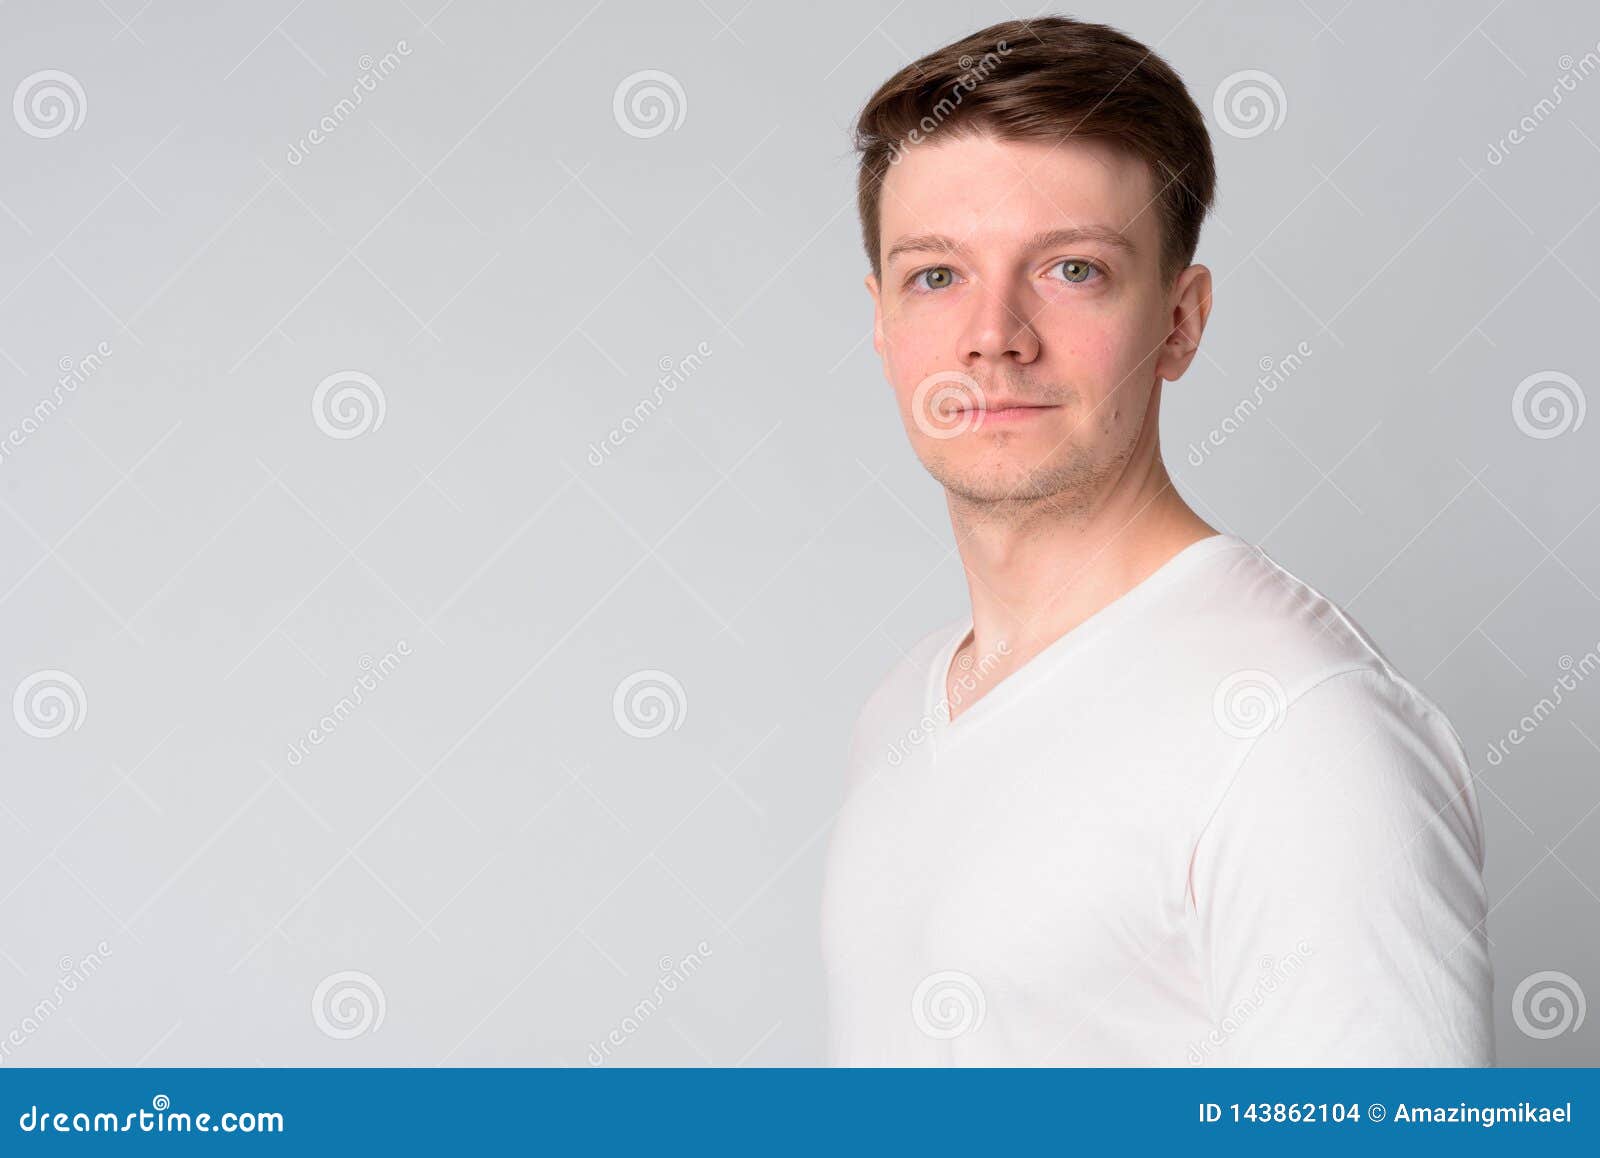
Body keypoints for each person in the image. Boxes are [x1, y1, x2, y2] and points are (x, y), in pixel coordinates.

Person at [819, 15, 1495, 1066]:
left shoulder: (1299, 733)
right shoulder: (895, 714)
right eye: (936, 276)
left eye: (1072, 270)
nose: (993, 333)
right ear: (880, 322)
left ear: (1179, 321)